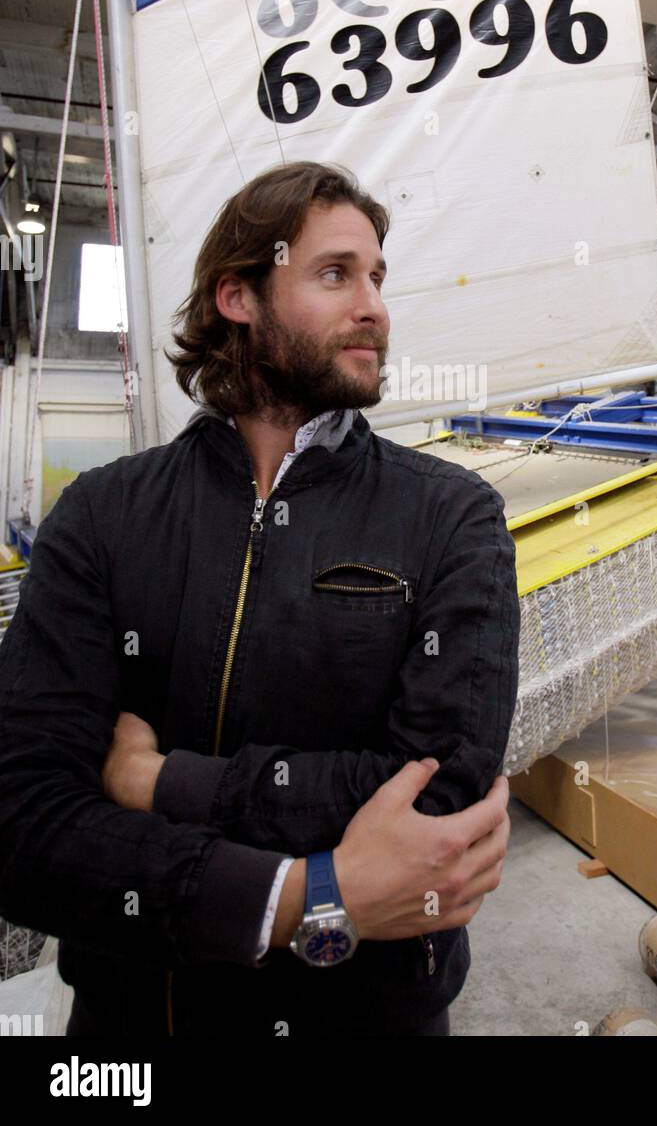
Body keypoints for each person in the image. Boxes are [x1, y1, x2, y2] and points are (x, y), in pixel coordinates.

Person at [0, 160, 521, 1037]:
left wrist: (158, 782)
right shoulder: (103, 513)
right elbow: (22, 817)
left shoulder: (450, 516)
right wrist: (308, 893)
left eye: (377, 278)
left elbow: (438, 799)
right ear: (238, 298)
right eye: (334, 274)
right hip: (135, 1022)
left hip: (370, 1017)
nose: (374, 308)